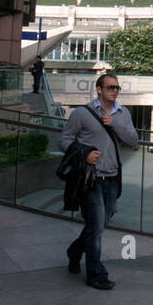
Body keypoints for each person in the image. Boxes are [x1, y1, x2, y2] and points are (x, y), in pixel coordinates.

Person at [61, 72, 140, 290]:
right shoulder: (82, 113)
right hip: (90, 178)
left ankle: (74, 251)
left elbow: (134, 141)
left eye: (117, 88)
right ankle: (96, 274)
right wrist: (83, 153)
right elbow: (65, 140)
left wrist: (116, 125)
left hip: (113, 179)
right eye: (110, 87)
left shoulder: (123, 114)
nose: (114, 91)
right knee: (96, 227)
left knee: (99, 224)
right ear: (99, 89)